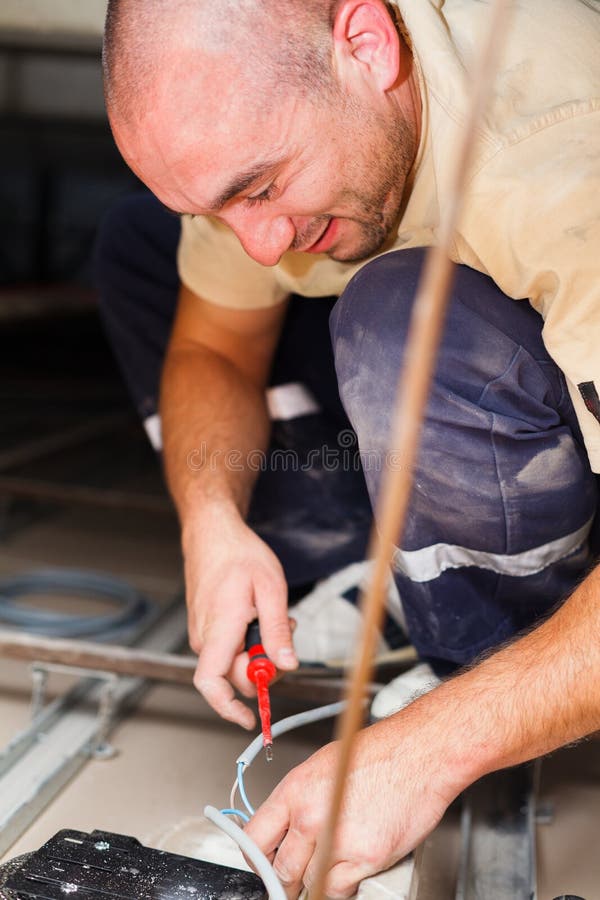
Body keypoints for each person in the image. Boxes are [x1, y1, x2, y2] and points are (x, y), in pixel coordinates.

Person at [98, 0, 600, 895]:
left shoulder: (563, 157)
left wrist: (431, 745)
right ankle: (384, 561)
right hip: (458, 306)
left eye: (260, 186)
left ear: (366, 46)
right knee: (137, 242)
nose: (257, 245)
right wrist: (208, 521)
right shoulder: (288, 121)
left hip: (520, 324)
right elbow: (213, 346)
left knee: (403, 319)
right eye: (221, 208)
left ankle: (481, 645)